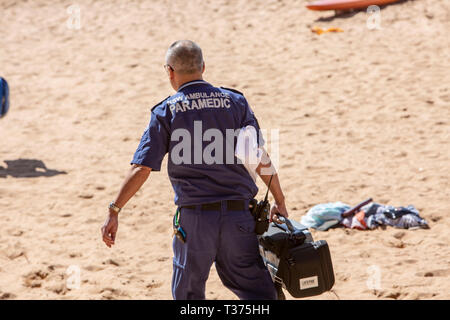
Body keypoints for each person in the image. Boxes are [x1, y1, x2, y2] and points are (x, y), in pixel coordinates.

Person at [101, 40, 289, 300]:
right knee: (258, 293)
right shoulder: (235, 102)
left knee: (188, 295)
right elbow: (258, 156)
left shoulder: (166, 110)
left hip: (196, 220)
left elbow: (142, 169)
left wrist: (115, 210)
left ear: (170, 72)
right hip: (239, 218)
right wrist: (279, 199)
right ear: (203, 66)